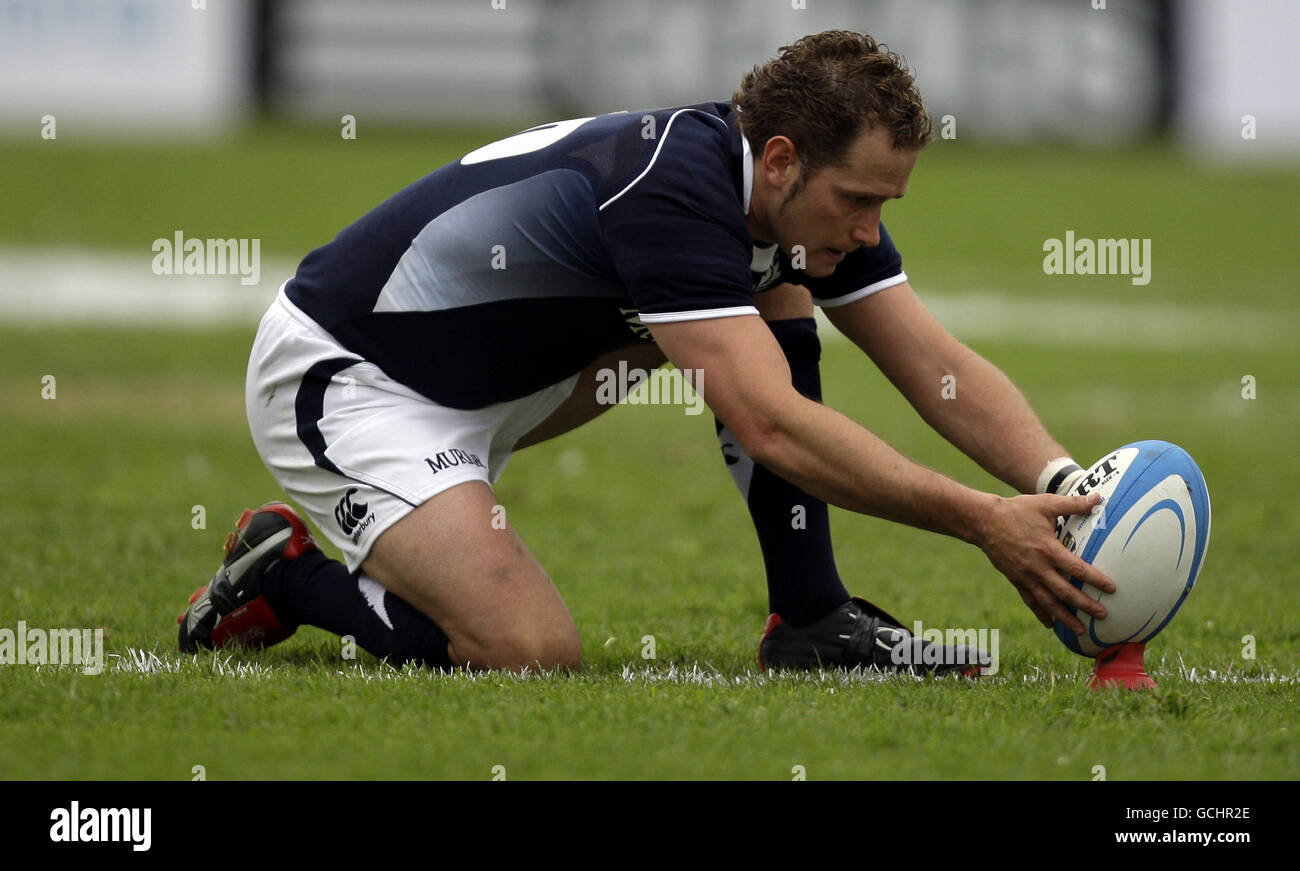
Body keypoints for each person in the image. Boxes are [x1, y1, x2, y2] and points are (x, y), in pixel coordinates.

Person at [177, 30, 1113, 675]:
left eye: (886, 206)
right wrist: (987, 520)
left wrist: (1069, 483)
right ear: (781, 160)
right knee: (527, 654)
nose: (869, 231)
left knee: (768, 279)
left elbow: (928, 358)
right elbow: (773, 425)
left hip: (497, 379)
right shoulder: (674, 193)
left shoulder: (782, 205)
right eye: (859, 200)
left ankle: (812, 617)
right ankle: (288, 571)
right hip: (352, 380)